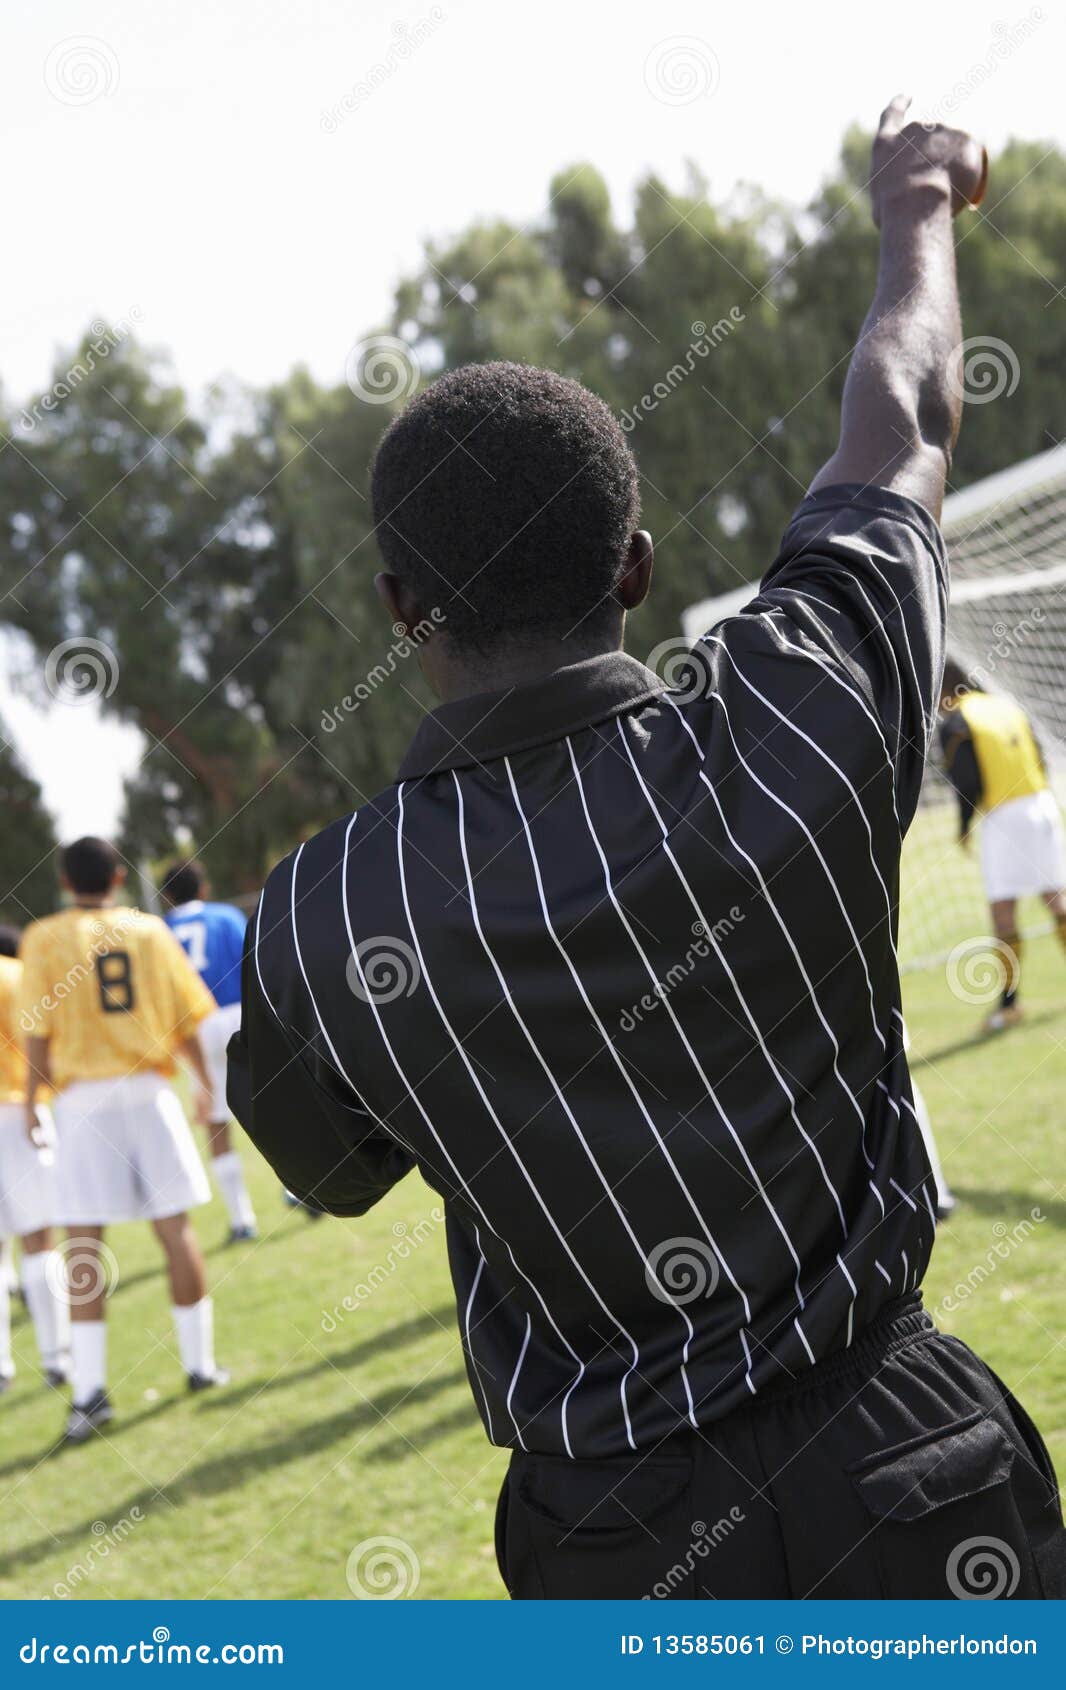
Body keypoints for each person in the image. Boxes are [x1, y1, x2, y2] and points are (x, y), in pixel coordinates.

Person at [230, 100, 1065, 1598]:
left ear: (398, 607)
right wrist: (916, 201)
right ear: (633, 565)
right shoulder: (799, 700)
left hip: (610, 1552)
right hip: (917, 1484)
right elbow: (905, 414)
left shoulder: (317, 914)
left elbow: (329, 1171)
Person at [18, 838, 229, 1443]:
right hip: (149, 1090)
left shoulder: (46, 939)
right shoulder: (150, 931)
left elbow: (35, 1032)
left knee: (82, 1242)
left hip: (84, 1101)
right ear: (118, 875)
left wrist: (35, 1100)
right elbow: (190, 1017)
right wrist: (204, 1083)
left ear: (64, 880)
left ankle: (89, 1392)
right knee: (176, 1229)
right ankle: (199, 1364)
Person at [938, 660, 1066, 1033]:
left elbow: (967, 780)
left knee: (1003, 912)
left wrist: (963, 827)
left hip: (1004, 816)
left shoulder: (959, 721)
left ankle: (1010, 1004)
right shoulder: (1006, 705)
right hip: (1041, 804)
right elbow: (1039, 756)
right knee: (1056, 899)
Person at [160, 861, 258, 1242]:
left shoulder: (162, 930)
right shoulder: (225, 915)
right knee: (269, 1102)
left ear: (166, 896)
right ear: (203, 887)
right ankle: (299, 1191)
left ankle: (242, 1219)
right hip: (238, 1013)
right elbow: (253, 960)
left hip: (196, 1025)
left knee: (216, 1122)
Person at [0, 925, 70, 1391]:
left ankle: (2, 1366)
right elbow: (42, 1044)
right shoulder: (15, 975)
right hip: (14, 1109)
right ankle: (56, 1357)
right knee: (39, 1239)